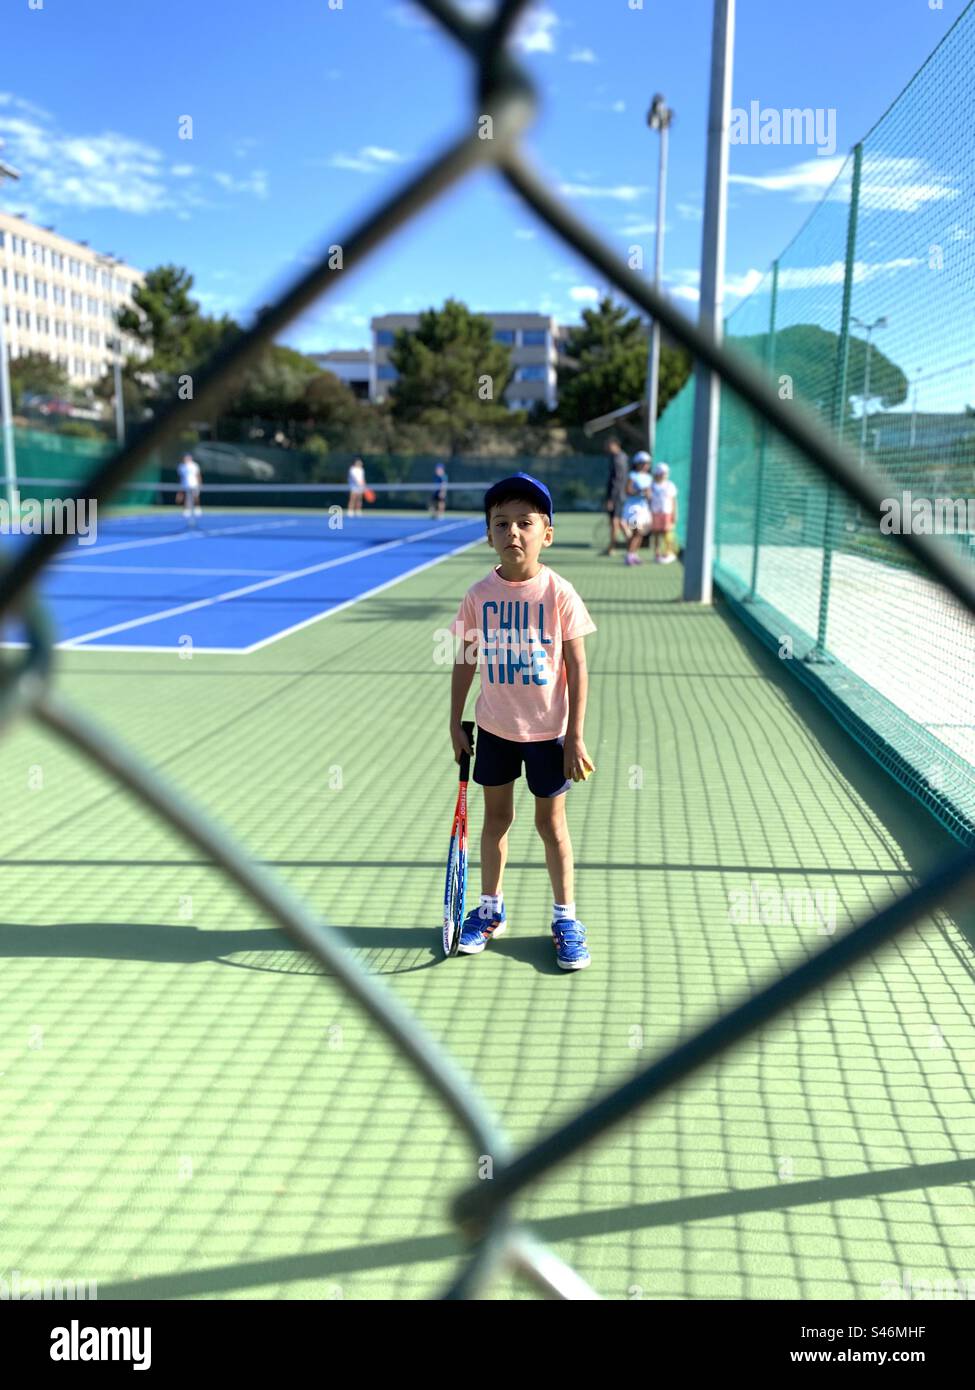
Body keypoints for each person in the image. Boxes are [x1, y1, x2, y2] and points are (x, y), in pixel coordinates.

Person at [450, 472, 597, 970]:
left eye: (525, 523)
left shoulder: (559, 592)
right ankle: (491, 909)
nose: (513, 531)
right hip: (493, 728)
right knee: (496, 820)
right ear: (489, 535)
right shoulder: (477, 595)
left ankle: (565, 918)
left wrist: (574, 735)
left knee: (551, 825)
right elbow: (466, 659)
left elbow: (577, 666)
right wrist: (455, 720)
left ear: (546, 534)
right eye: (501, 523)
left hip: (549, 734)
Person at [621, 450, 654, 567]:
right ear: (638, 463)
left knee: (640, 534)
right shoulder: (633, 476)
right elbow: (628, 491)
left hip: (644, 508)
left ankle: (634, 554)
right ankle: (629, 555)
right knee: (637, 532)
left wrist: (649, 495)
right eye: (644, 463)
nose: (646, 465)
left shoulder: (649, 477)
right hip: (633, 508)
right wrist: (640, 491)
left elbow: (650, 493)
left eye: (648, 463)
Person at [603, 437, 630, 556]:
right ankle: (629, 543)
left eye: (609, 445)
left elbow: (616, 480)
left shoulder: (618, 459)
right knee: (619, 521)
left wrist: (611, 499)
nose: (607, 448)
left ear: (615, 445)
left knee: (615, 521)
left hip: (617, 496)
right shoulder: (622, 457)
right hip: (620, 495)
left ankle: (613, 547)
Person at [650, 461, 678, 563]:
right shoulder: (652, 485)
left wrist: (674, 514)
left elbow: (674, 501)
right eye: (662, 473)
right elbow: (649, 500)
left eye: (665, 473)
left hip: (667, 513)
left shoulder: (670, 485)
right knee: (656, 533)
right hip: (655, 512)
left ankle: (668, 553)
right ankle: (657, 554)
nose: (663, 475)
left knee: (667, 533)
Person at [176, 452, 202, 527]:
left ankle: (197, 509)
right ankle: (186, 510)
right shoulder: (181, 466)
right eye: (185, 458)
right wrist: (179, 488)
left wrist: (200, 484)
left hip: (194, 484)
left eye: (187, 457)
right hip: (184, 485)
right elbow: (180, 477)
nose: (186, 459)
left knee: (195, 497)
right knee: (186, 498)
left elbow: (198, 475)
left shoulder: (195, 465)